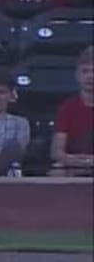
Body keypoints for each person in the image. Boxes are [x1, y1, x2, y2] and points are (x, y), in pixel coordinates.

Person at [50, 47, 94, 177]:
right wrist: (79, 161)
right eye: (85, 71)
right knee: (56, 170)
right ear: (77, 76)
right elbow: (56, 152)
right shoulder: (67, 108)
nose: (90, 76)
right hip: (75, 165)